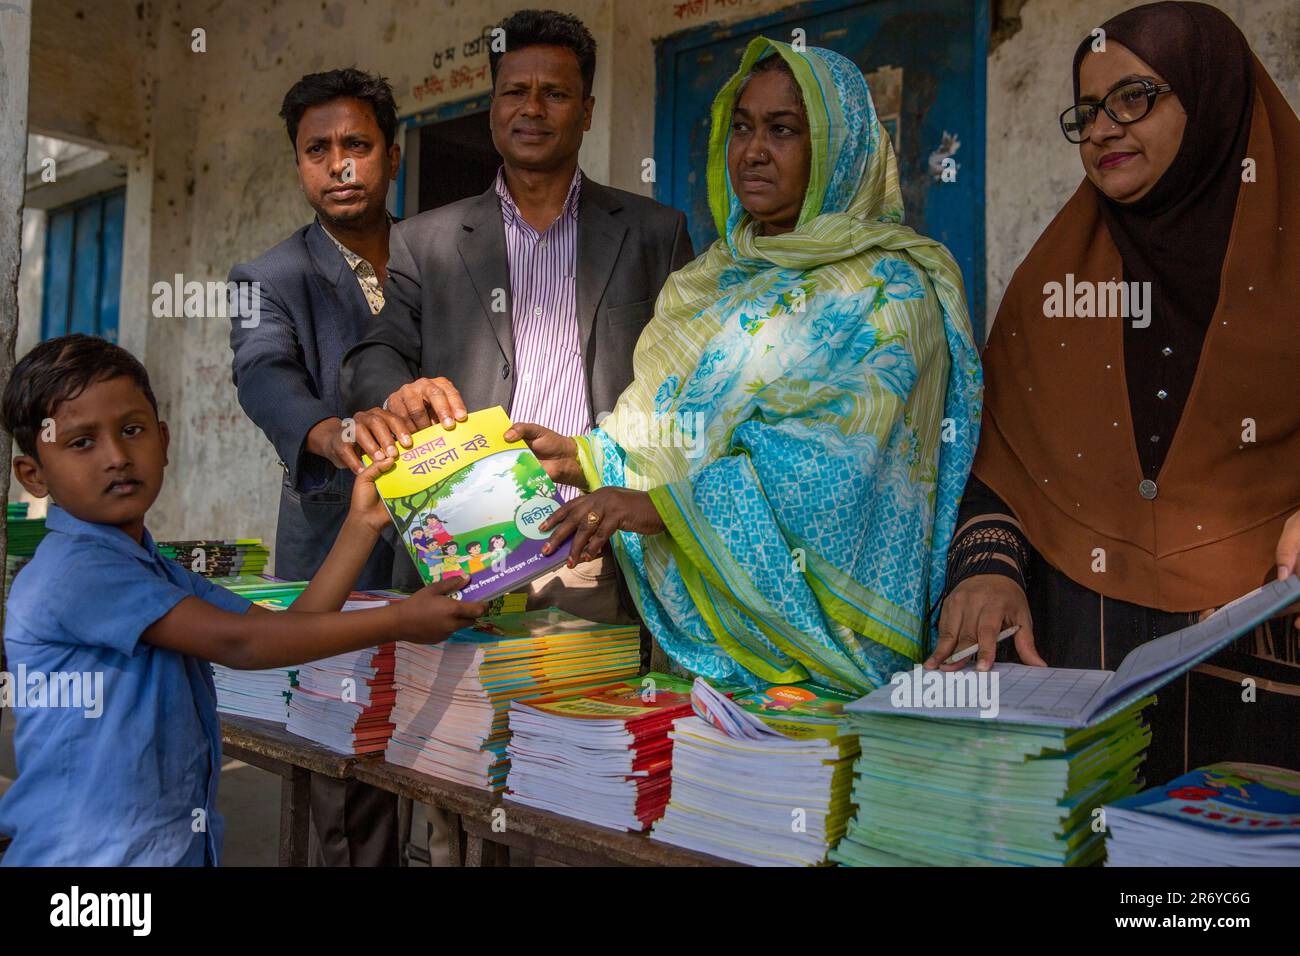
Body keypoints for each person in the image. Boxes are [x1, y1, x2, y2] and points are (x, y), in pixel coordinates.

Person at [512, 38, 982, 692]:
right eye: (741, 128)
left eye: (783, 130)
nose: (753, 150)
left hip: (820, 660)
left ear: (838, 151)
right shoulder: (710, 281)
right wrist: (589, 458)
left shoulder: (891, 292)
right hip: (704, 649)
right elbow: (675, 422)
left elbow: (836, 474)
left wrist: (664, 511)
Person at [928, 2, 1300, 778]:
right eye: (1088, 110)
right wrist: (987, 564)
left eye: (1134, 97)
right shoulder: (1054, 283)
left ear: (1214, 100)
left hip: (1272, 655)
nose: (1101, 129)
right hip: (1084, 659)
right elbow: (999, 464)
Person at [0, 335, 484, 866]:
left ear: (163, 441)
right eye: (80, 443)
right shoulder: (78, 571)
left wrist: (363, 522)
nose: (116, 457)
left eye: (132, 431)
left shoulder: (151, 567)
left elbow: (292, 626)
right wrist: (401, 619)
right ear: (34, 476)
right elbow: (245, 643)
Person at [340, 9, 694, 626]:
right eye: (515, 92)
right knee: (459, 723)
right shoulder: (427, 240)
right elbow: (375, 353)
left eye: (555, 94)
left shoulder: (653, 234)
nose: (533, 109)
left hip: (594, 544)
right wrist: (398, 392)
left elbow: (689, 385)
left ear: (585, 112)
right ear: (492, 107)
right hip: (461, 549)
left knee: (584, 720)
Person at [227, 66, 410, 868]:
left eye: (358, 145)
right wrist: (330, 433)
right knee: (344, 749)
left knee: (451, 741)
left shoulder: (442, 254)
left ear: (392, 156)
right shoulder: (264, 280)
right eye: (319, 149)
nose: (340, 165)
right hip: (336, 534)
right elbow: (261, 373)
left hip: (452, 538)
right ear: (299, 162)